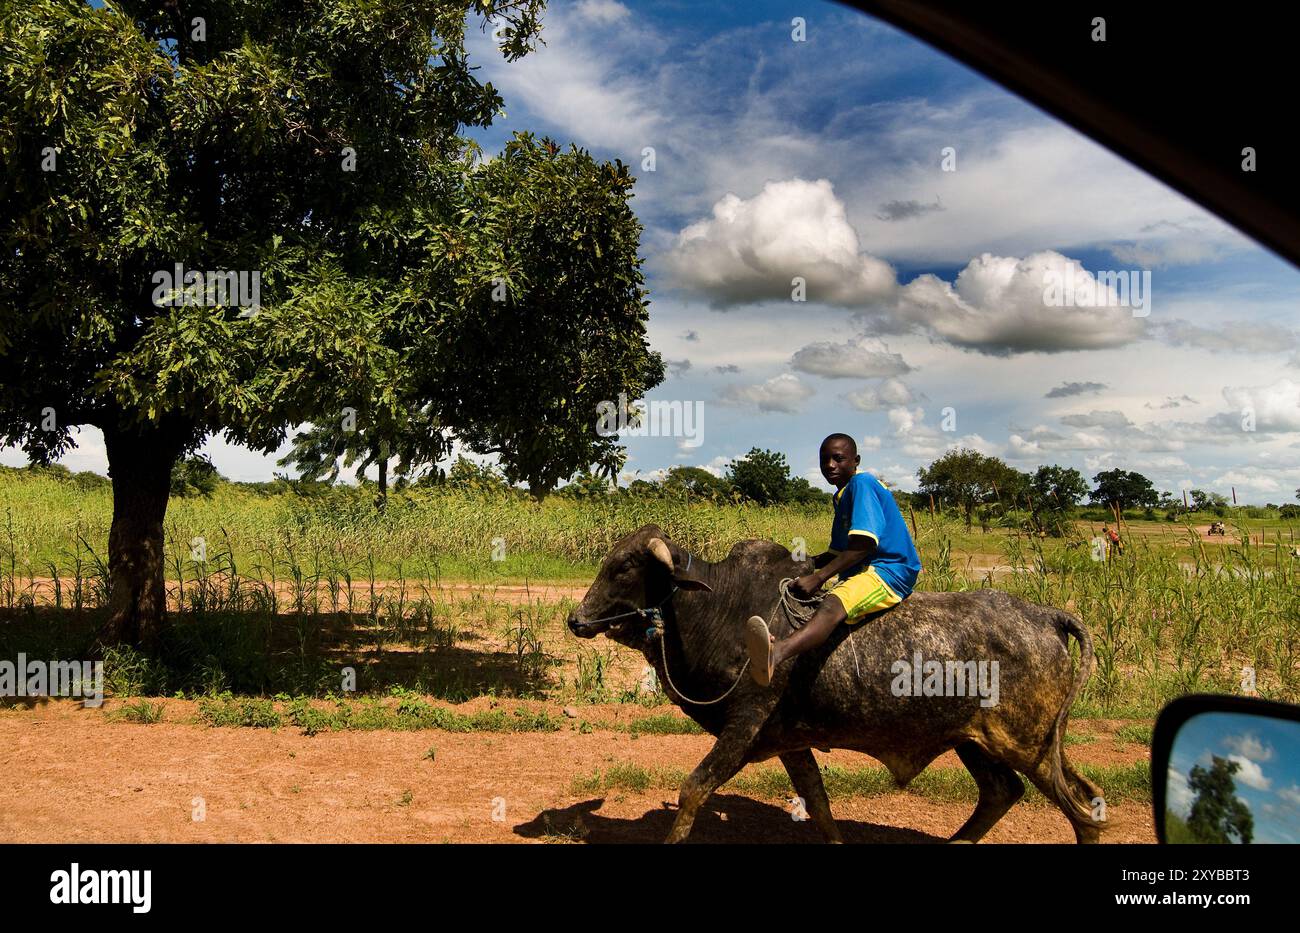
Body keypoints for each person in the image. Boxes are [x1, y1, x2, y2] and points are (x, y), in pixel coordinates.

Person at [744, 433, 922, 686]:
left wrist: (819, 577)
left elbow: (864, 544)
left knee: (832, 605)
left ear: (855, 460)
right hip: (867, 568)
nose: (830, 465)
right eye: (824, 459)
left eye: (838, 458)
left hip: (890, 570)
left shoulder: (863, 484)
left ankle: (777, 653)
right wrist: (800, 563)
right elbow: (837, 552)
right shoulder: (841, 496)